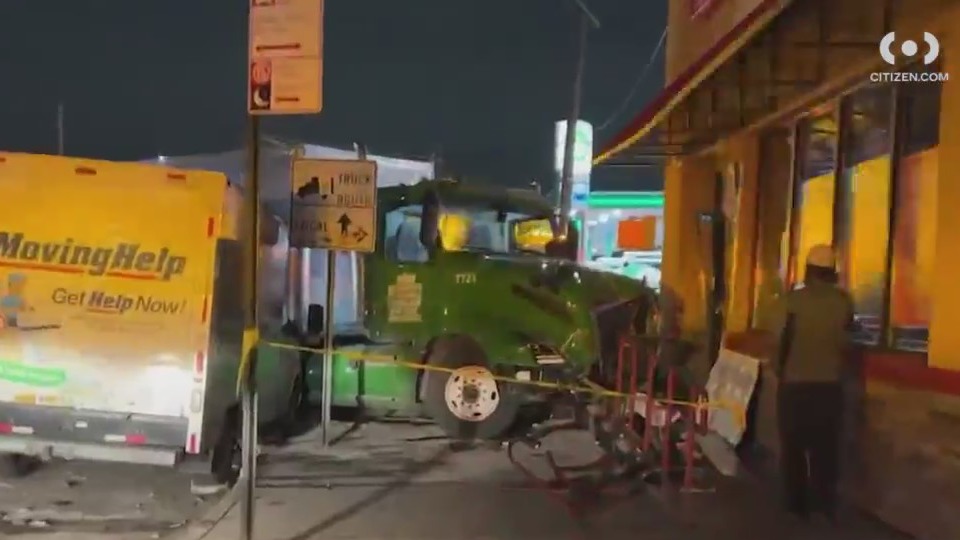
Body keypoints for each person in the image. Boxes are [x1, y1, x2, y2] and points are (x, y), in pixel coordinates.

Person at [772, 244, 853, 523]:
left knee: (793, 447)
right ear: (832, 273)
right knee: (825, 448)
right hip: (829, 386)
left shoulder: (792, 302)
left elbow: (779, 342)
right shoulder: (843, 302)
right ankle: (823, 504)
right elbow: (847, 341)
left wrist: (778, 370)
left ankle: (796, 505)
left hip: (795, 386)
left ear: (808, 271)